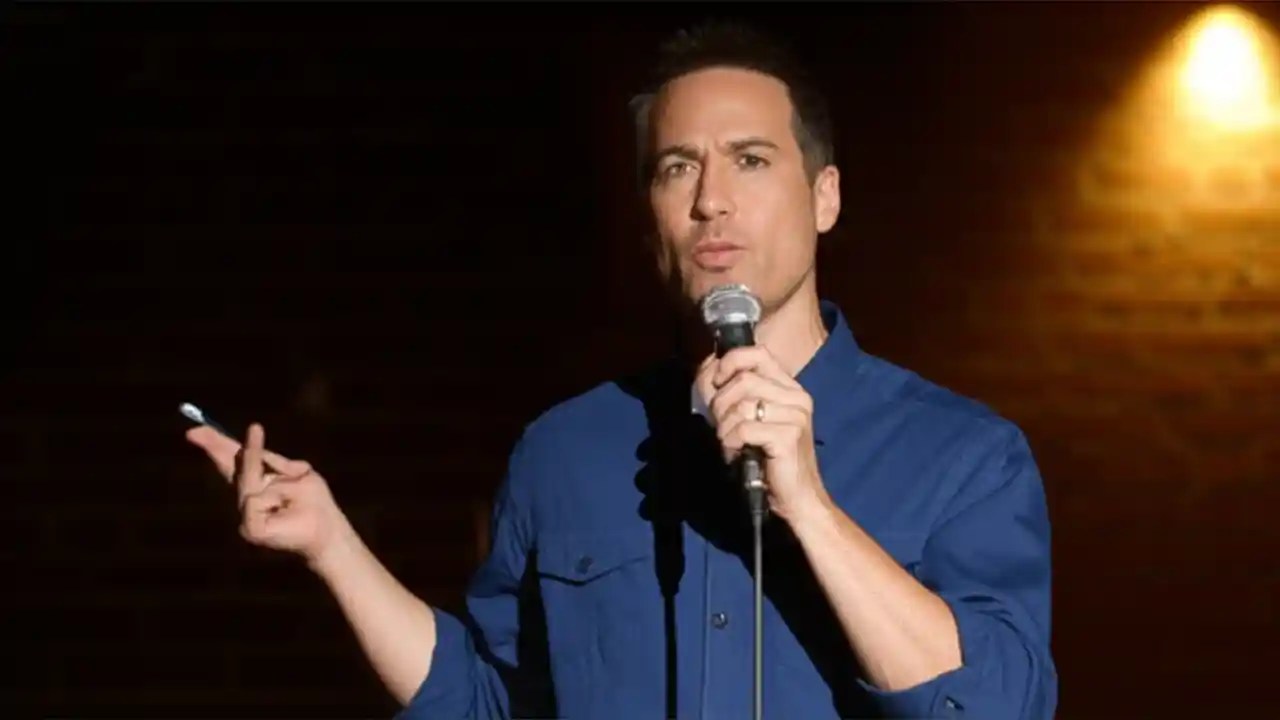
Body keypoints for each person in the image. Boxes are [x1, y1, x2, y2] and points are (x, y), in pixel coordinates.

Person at [186, 20, 1058, 720]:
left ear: (824, 196)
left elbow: (998, 707)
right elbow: (493, 703)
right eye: (678, 168)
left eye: (751, 160)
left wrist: (811, 510)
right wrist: (334, 548)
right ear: (650, 213)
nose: (710, 199)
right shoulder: (566, 451)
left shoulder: (962, 456)